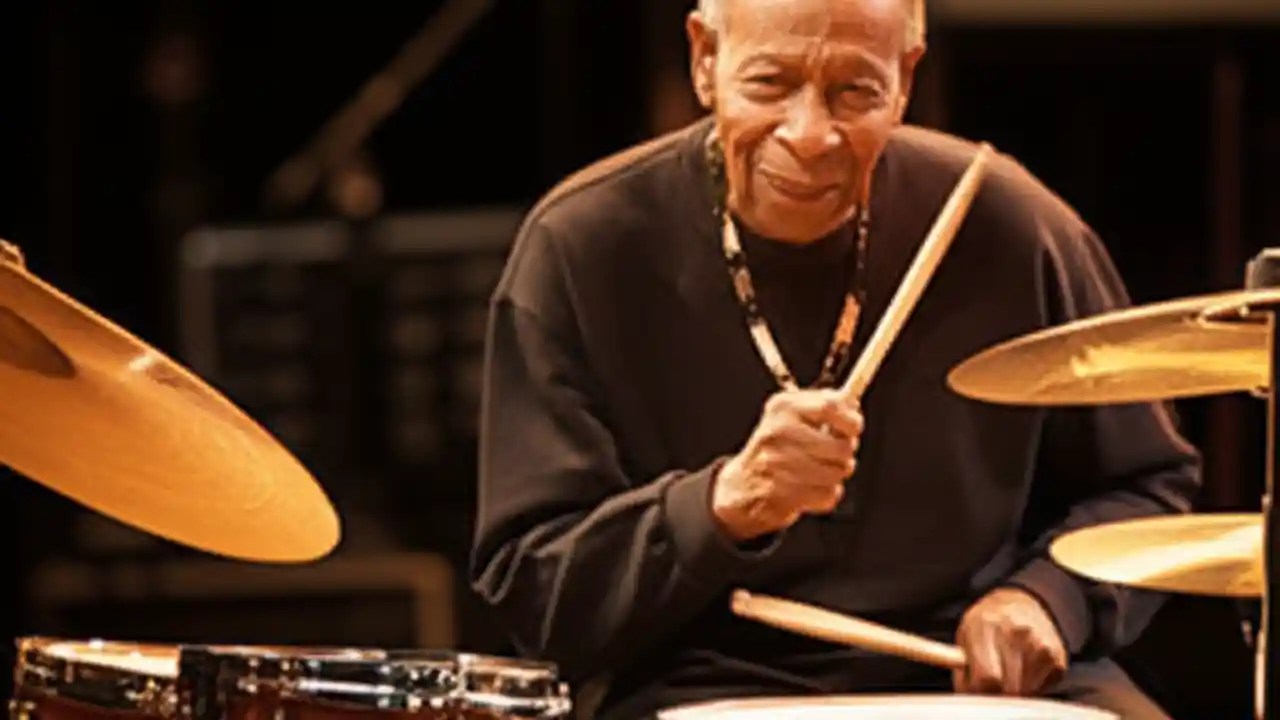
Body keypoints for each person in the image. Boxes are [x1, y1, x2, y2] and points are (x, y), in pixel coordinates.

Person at [469, 0, 1202, 718]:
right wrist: (721, 505)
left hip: (983, 685)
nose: (810, 133)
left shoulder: (1011, 224)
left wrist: (1049, 597)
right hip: (699, 683)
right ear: (704, 59)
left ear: (906, 76)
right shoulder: (582, 247)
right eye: (769, 83)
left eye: (854, 91)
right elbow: (535, 592)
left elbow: (1147, 484)